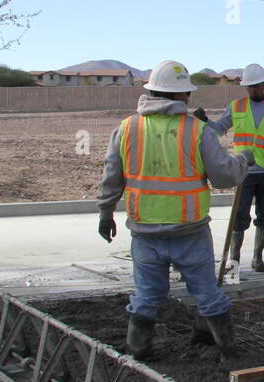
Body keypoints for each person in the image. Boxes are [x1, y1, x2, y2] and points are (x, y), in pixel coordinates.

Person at [96, 60, 250, 365]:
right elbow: (224, 177)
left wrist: (105, 213)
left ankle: (138, 351)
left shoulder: (127, 128)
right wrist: (243, 159)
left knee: (147, 295)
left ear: (152, 91)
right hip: (189, 232)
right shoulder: (197, 131)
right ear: (180, 96)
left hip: (144, 232)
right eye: (187, 93)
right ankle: (229, 354)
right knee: (207, 292)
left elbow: (111, 175)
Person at [198, 63, 264, 273]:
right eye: (249, 87)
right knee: (239, 217)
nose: (252, 90)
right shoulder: (237, 107)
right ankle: (234, 263)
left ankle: (257, 258)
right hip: (244, 172)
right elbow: (220, 129)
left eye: (256, 86)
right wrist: (205, 121)